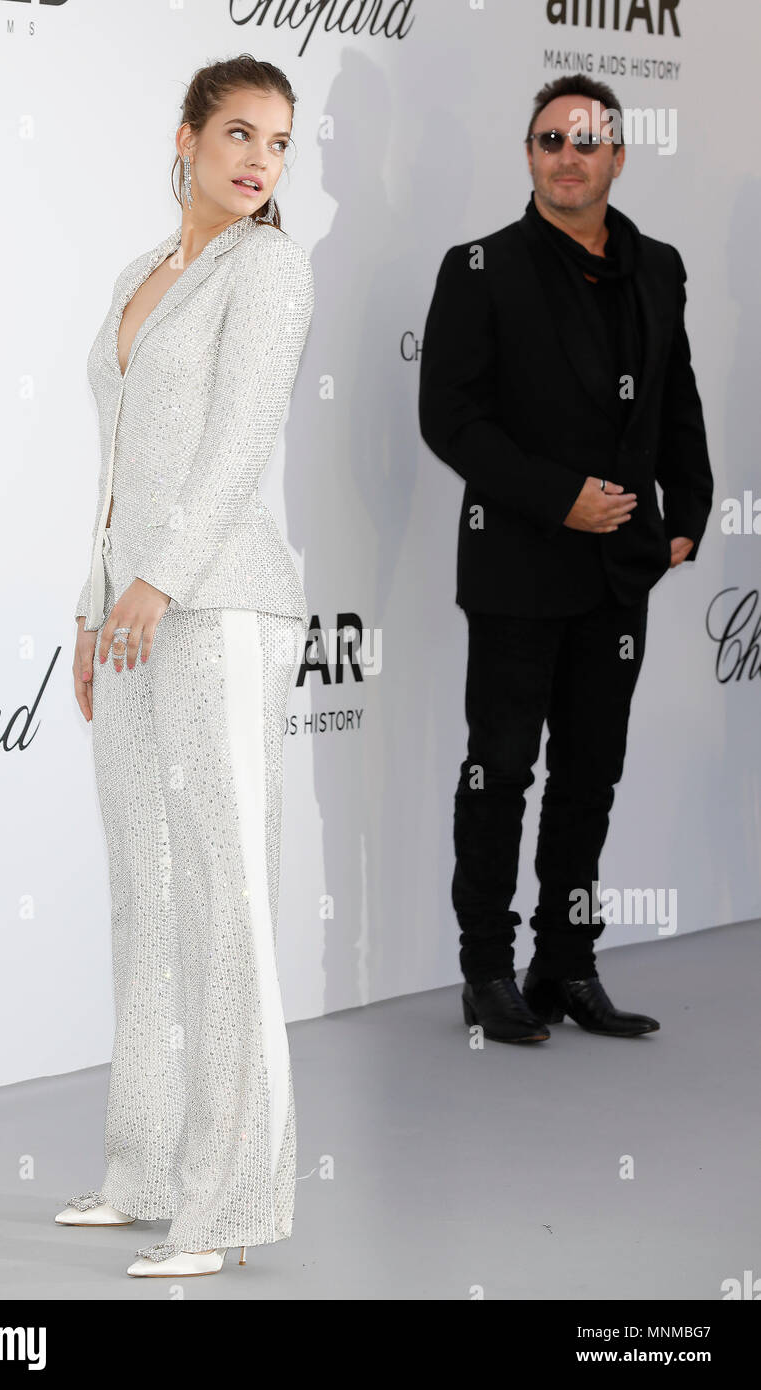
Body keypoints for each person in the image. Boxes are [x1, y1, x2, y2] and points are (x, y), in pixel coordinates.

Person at [56, 56, 314, 1276]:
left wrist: (159, 579)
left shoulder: (266, 269)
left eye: (277, 143)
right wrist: (93, 606)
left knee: (230, 908)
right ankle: (143, 1166)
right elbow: (115, 467)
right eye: (239, 135)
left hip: (220, 609)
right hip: (134, 612)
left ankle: (227, 1205)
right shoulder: (136, 275)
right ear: (187, 138)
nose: (259, 160)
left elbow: (240, 439)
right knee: (143, 893)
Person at [418, 75, 713, 1044]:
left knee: (590, 772)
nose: (566, 156)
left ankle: (565, 962)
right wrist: (559, 498)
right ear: (529, 154)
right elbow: (449, 419)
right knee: (498, 770)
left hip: (617, 570)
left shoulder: (657, 267)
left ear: (616, 156)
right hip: (515, 563)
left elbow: (674, 399)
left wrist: (689, 506)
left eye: (586, 141)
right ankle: (484, 972)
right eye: (548, 140)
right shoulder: (478, 269)